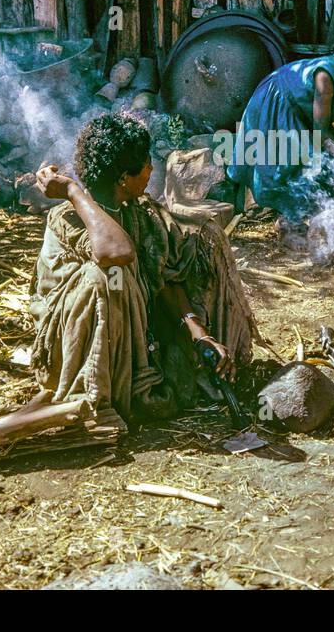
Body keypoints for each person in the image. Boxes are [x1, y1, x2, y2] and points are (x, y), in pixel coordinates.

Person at [27, 113, 257, 430]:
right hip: (70, 351)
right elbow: (117, 253)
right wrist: (72, 191)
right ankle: (98, 399)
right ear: (124, 177)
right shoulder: (69, 218)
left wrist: (198, 332)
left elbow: (160, 278)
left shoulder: (136, 212)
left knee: (203, 236)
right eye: (147, 163)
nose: (151, 169)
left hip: (135, 337)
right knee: (107, 277)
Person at [226, 12, 334, 224]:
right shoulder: (325, 77)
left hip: (301, 108)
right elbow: (321, 133)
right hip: (279, 97)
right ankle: (287, 217)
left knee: (318, 158)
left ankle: (300, 211)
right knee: (287, 160)